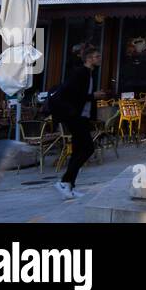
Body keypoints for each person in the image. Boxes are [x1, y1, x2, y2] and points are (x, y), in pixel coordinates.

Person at [50, 44, 108, 200]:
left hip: (81, 117)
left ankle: (69, 185)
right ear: (89, 59)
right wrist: (93, 96)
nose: (99, 59)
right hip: (75, 117)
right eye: (97, 56)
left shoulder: (89, 74)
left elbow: (82, 96)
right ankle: (64, 181)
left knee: (78, 150)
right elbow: (74, 96)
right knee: (88, 148)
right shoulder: (80, 73)